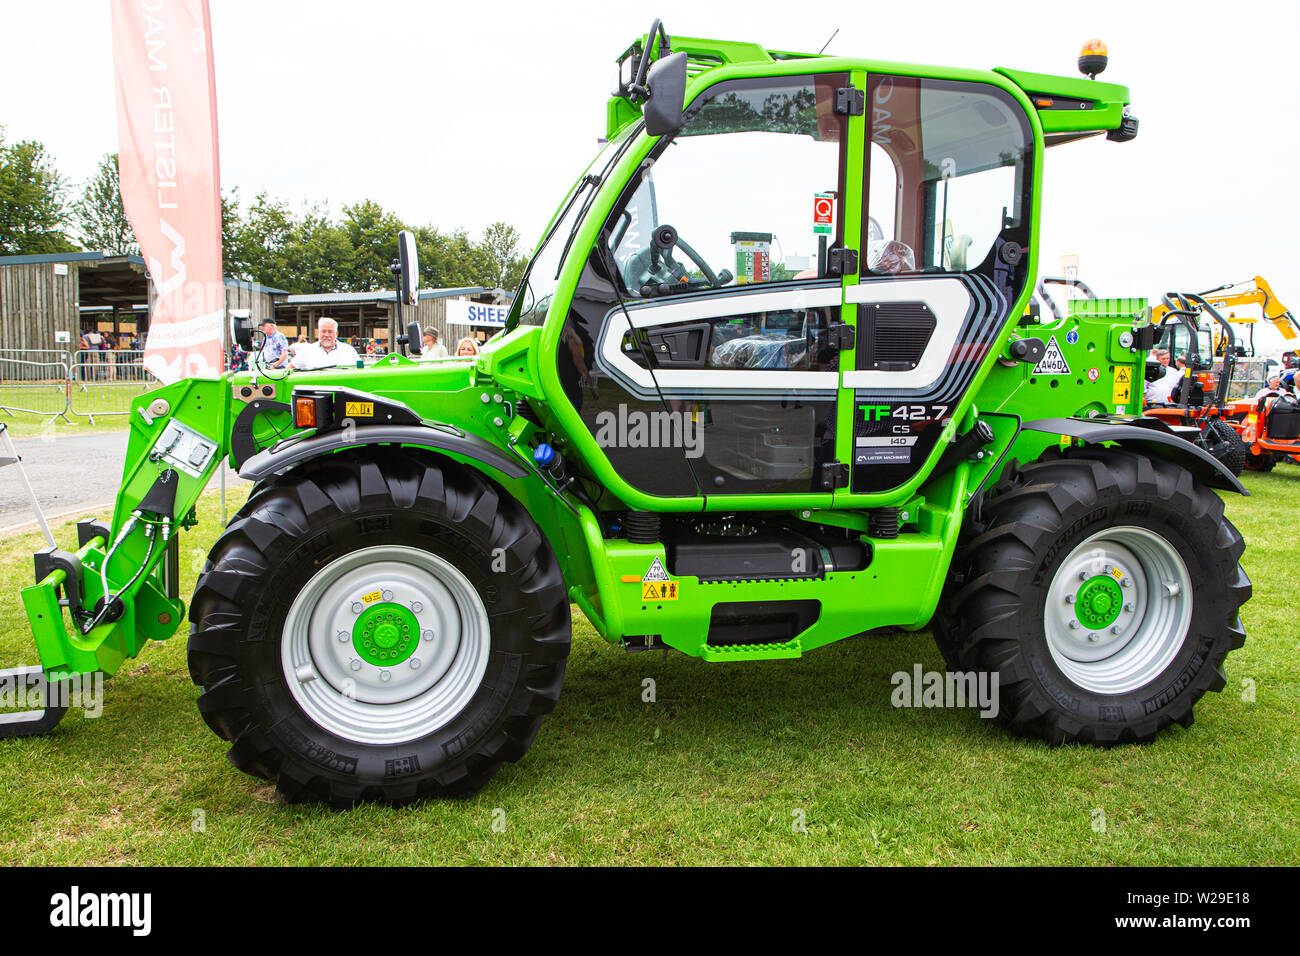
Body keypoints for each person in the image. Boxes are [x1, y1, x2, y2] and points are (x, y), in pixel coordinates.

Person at [291, 317, 362, 370]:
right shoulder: (307, 351)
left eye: (330, 331)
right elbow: (289, 369)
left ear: (336, 333)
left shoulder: (349, 351)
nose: (326, 335)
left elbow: (361, 371)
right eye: (323, 331)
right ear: (318, 333)